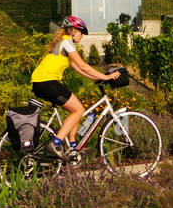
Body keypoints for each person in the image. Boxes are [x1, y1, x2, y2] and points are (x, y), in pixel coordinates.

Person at [30, 16, 119, 159]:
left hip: (42, 82)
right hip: (46, 81)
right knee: (79, 110)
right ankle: (56, 143)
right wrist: (106, 77)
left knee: (76, 109)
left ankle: (73, 147)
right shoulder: (66, 42)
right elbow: (84, 65)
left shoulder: (65, 44)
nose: (82, 36)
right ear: (72, 31)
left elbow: (80, 69)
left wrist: (97, 78)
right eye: (81, 32)